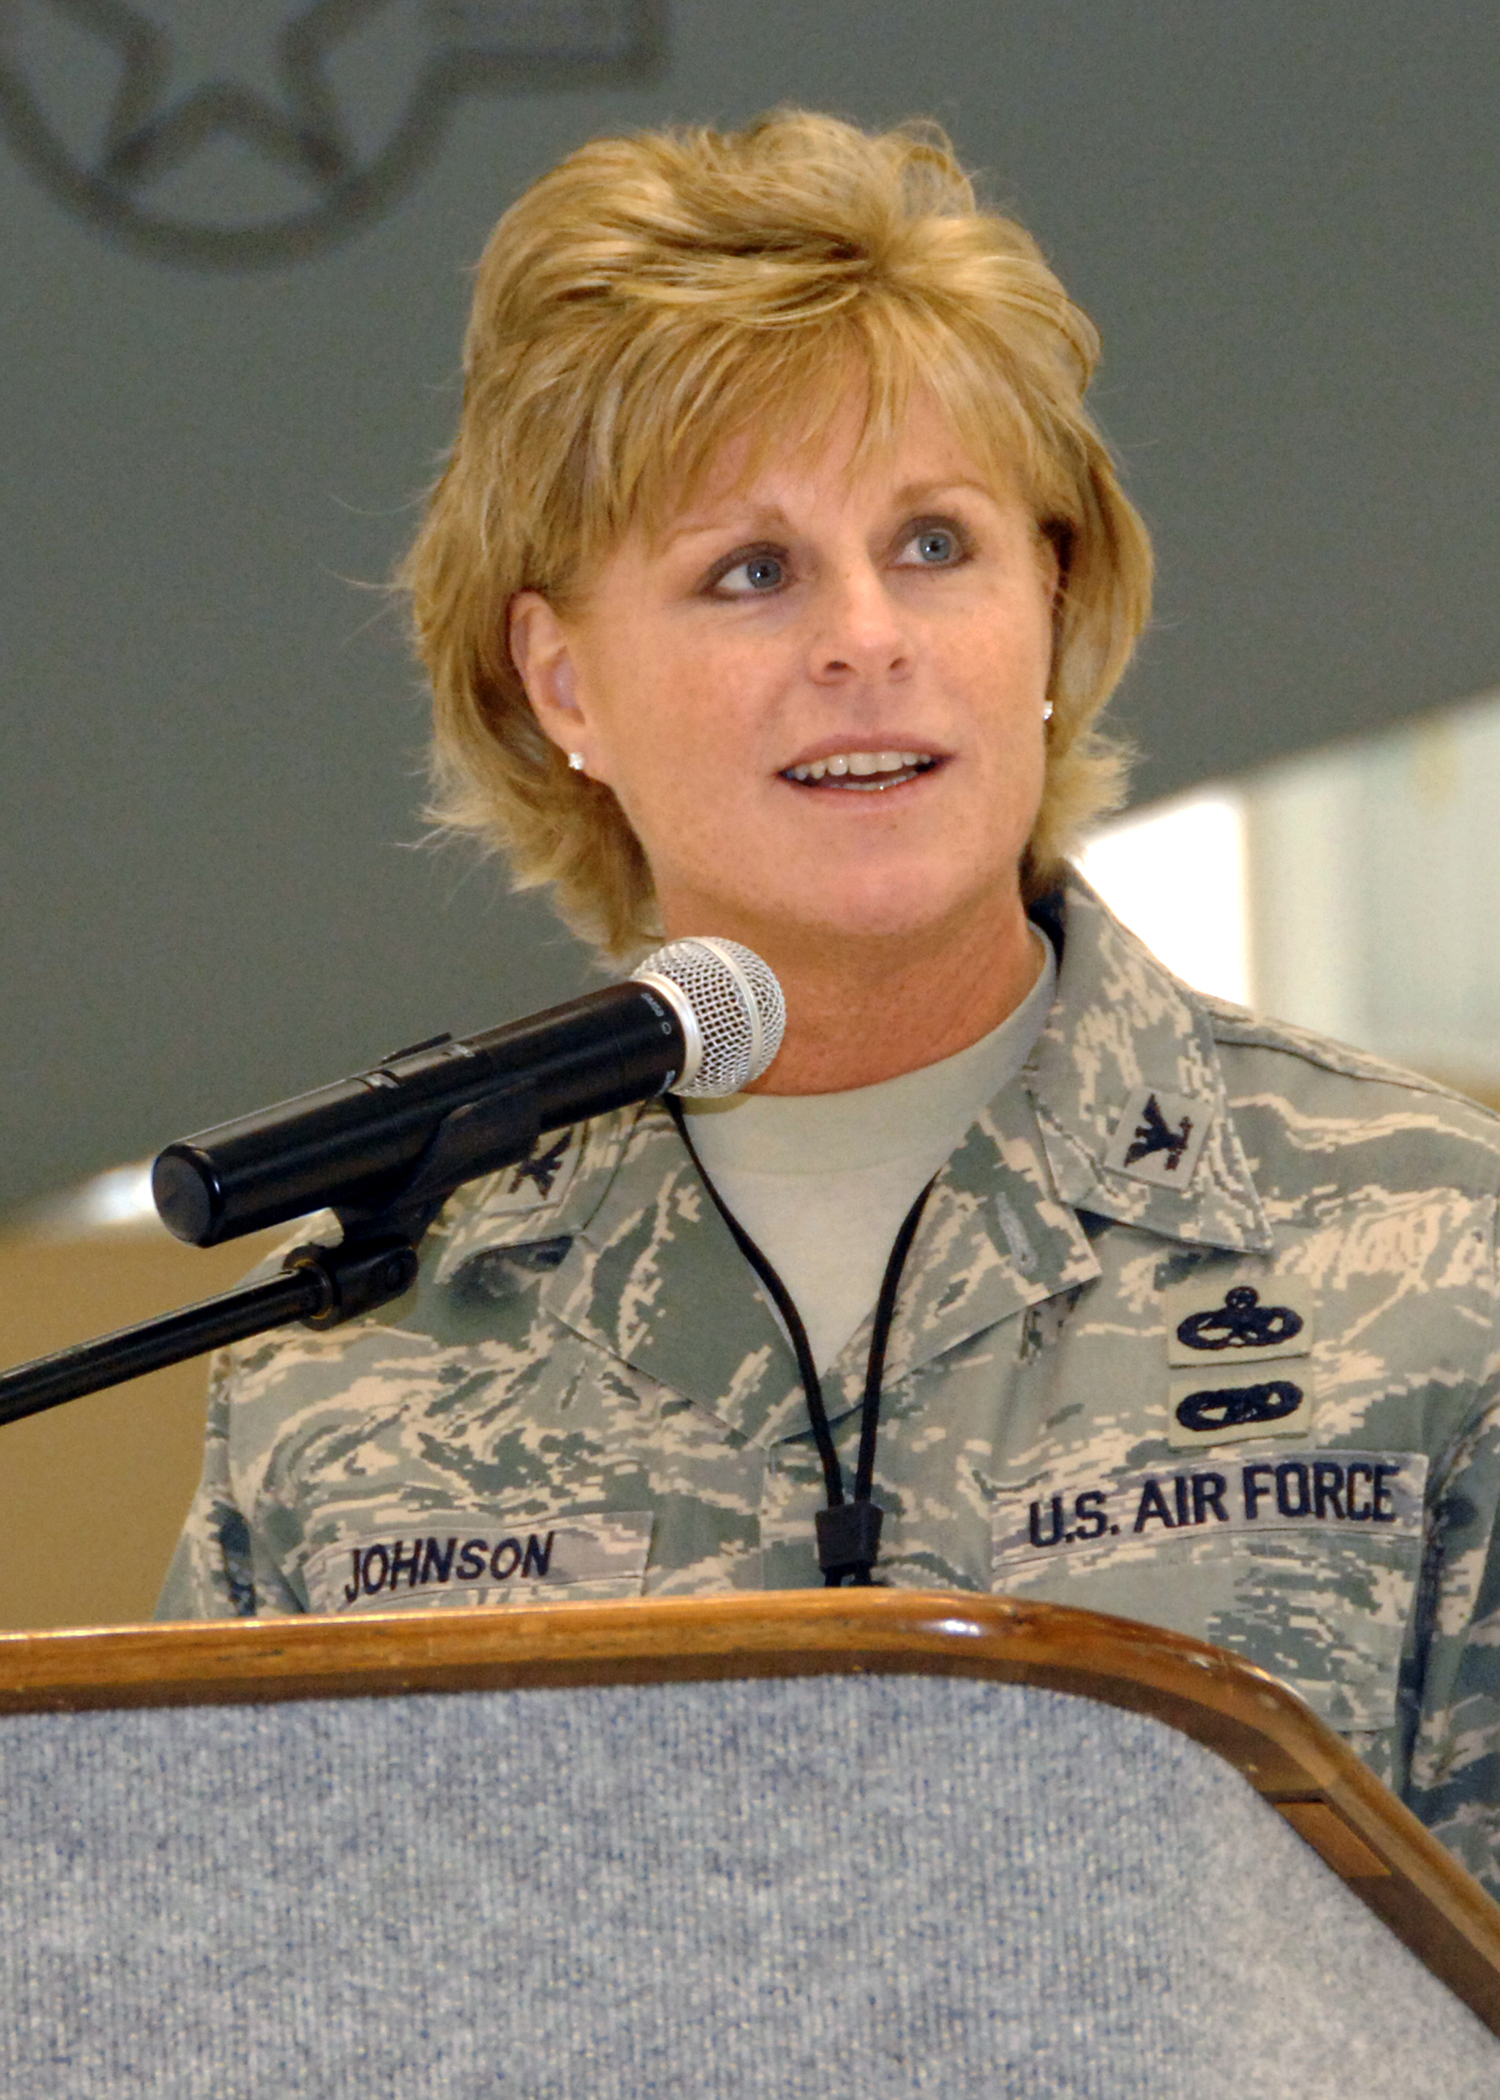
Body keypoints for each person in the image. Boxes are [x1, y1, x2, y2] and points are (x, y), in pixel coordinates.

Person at [159, 111, 1500, 1896]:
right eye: (752, 572)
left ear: (1056, 598)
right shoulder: (355, 1349)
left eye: (937, 545)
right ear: (563, 679)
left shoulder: (1437, 1252)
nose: (866, 637)